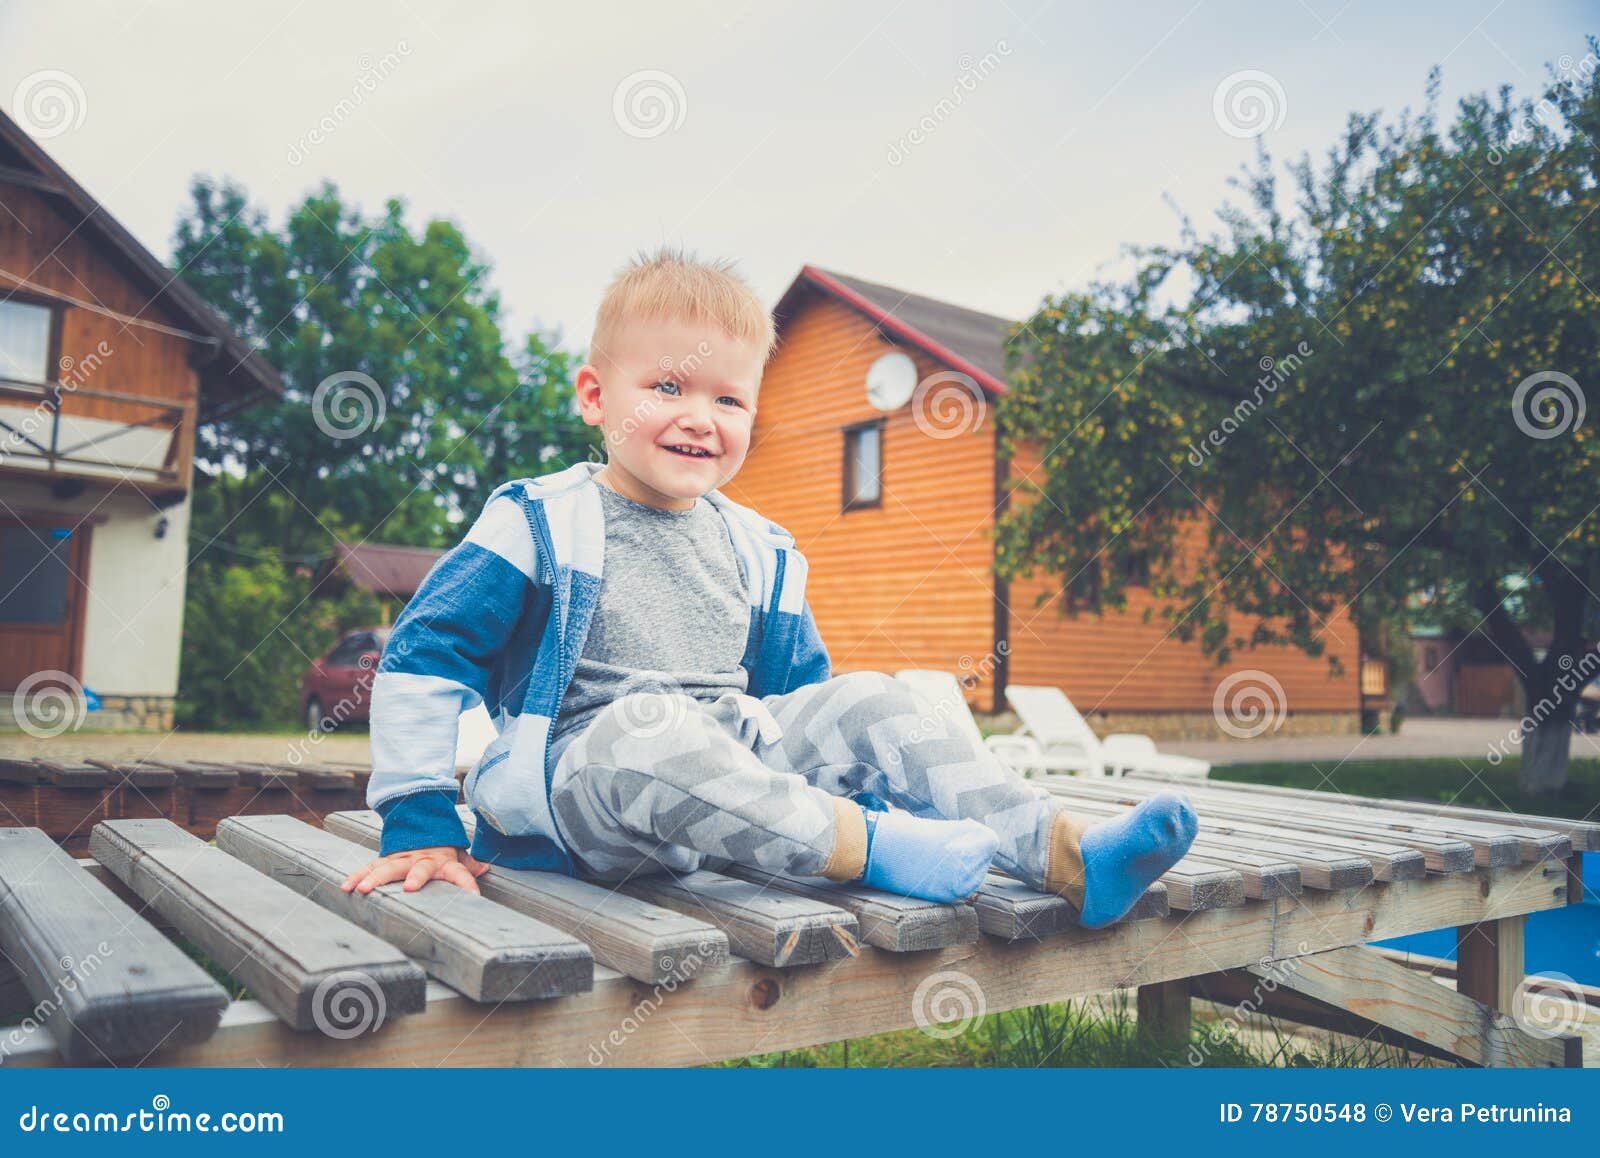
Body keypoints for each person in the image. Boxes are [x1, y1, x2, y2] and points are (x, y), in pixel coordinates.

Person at [340, 246, 1196, 926]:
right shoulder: (539, 520)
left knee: (875, 697)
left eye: (728, 399)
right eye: (667, 386)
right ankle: (880, 849)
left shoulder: (761, 548)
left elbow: (798, 700)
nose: (699, 417)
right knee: (653, 723)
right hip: (584, 794)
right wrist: (422, 819)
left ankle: (1068, 854)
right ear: (597, 397)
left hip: (728, 788)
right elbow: (424, 654)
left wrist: (832, 761)